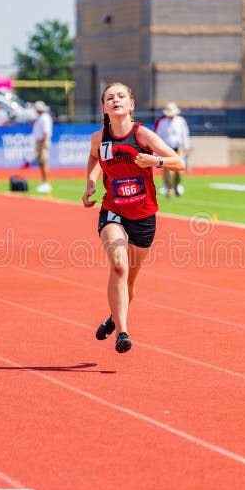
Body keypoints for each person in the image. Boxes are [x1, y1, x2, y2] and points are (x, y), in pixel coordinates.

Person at [81, 82, 185, 353]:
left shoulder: (143, 135)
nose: (116, 100)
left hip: (143, 214)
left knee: (129, 282)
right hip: (113, 209)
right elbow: (93, 159)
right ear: (104, 108)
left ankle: (114, 317)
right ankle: (123, 332)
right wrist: (90, 183)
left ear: (131, 104)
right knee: (118, 266)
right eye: (110, 98)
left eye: (121, 96)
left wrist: (155, 161)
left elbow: (179, 162)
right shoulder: (99, 138)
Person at [153, 102, 191, 199]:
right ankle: (170, 190)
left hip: (178, 149)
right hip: (167, 150)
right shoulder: (162, 122)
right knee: (168, 171)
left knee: (179, 170)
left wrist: (187, 148)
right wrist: (157, 151)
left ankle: (176, 185)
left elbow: (185, 135)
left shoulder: (180, 121)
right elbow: (158, 136)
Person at [31, 101, 53, 193]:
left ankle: (46, 183)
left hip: (42, 141)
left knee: (43, 162)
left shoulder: (44, 118)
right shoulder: (40, 117)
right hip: (39, 141)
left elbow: (46, 132)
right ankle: (44, 182)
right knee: (41, 162)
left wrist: (43, 144)